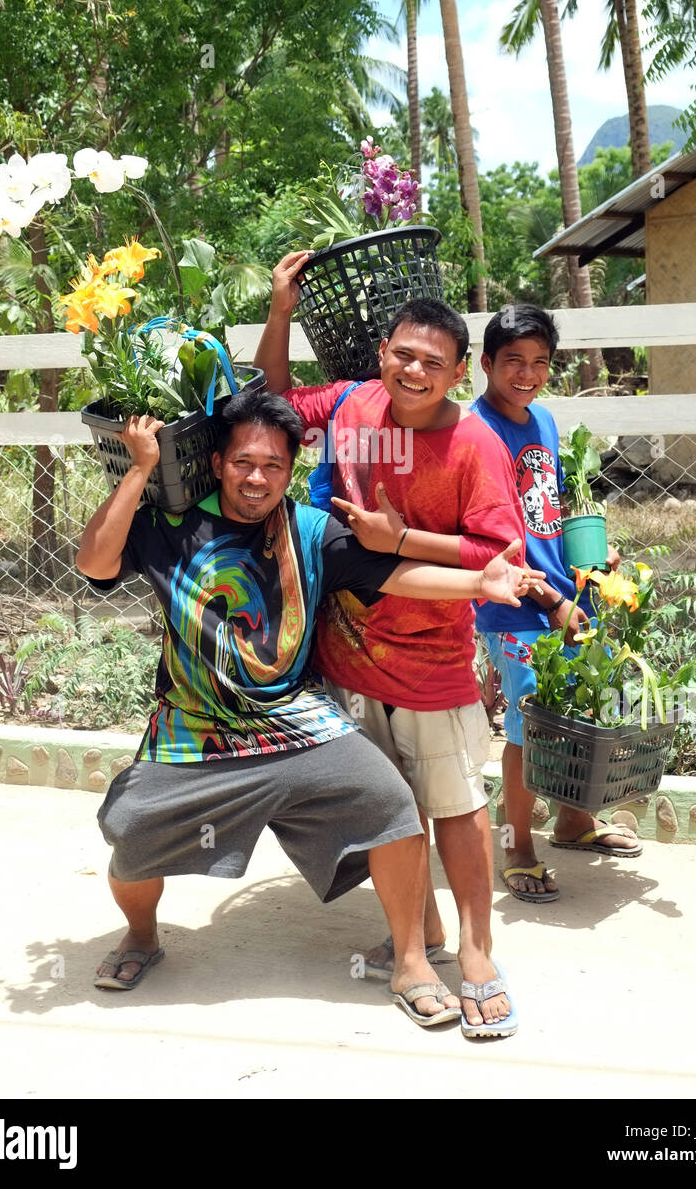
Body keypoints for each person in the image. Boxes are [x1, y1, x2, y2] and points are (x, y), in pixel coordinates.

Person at [77, 387, 529, 1029]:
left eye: (273, 466)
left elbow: (393, 574)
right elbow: (94, 561)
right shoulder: (167, 525)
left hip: (292, 717)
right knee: (129, 826)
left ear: (291, 471)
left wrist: (478, 583)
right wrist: (143, 468)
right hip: (193, 724)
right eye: (242, 463)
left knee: (391, 803)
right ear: (217, 464)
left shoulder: (310, 530)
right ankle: (143, 936)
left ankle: (411, 962)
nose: (256, 477)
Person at [255, 258, 543, 1035]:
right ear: (382, 352)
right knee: (390, 811)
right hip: (349, 654)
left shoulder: (476, 444)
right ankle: (420, 941)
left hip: (432, 659)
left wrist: (400, 537)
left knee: (456, 810)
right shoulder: (350, 404)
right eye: (403, 354)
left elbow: (501, 556)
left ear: (456, 375)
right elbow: (273, 402)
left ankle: (478, 955)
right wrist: (281, 309)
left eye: (433, 363)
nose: (414, 371)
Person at [471, 304, 642, 903]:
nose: (527, 373)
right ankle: (519, 842)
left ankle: (573, 822)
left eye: (540, 362)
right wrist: (546, 599)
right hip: (515, 603)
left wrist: (591, 559)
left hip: (563, 594)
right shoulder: (475, 432)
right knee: (529, 724)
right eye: (513, 361)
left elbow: (545, 512)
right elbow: (482, 537)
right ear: (486, 363)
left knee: (573, 711)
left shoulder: (542, 420)